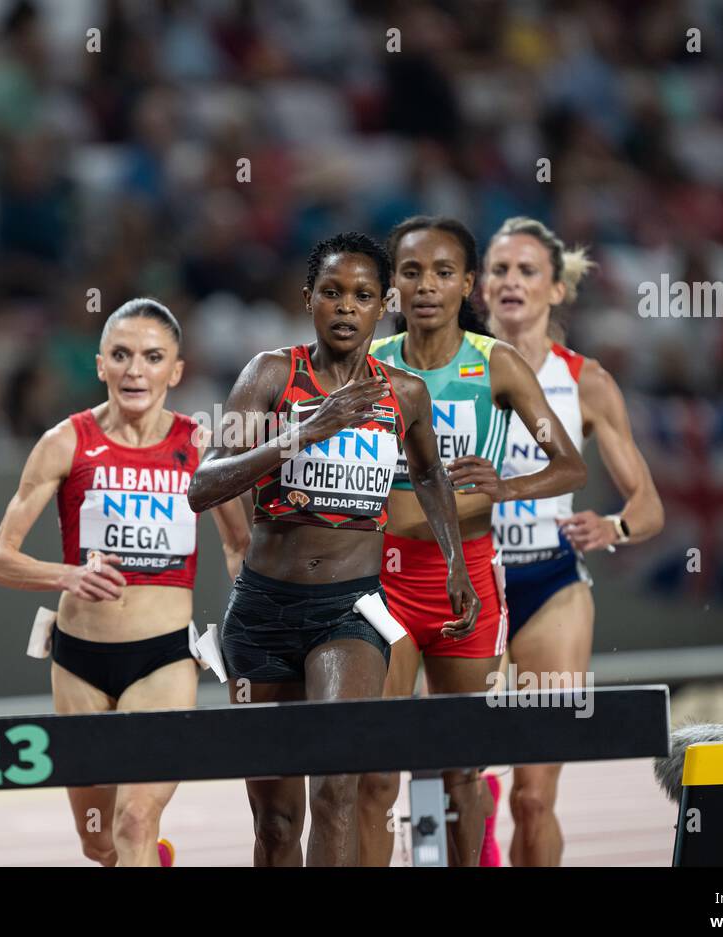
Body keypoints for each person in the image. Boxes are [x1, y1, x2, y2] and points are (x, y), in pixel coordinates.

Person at [188, 231, 476, 867]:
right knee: (275, 820)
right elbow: (202, 486)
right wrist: (304, 433)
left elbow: (428, 473)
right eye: (332, 292)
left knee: (338, 789)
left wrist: (455, 558)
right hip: (261, 612)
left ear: (384, 307)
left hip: (350, 611)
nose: (346, 306)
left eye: (363, 295)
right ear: (308, 299)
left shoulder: (404, 394)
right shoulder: (269, 375)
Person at [0, 297, 251, 867]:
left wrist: (249, 630)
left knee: (133, 822)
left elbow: (237, 545)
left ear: (175, 371)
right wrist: (69, 574)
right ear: (101, 365)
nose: (136, 370)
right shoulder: (64, 442)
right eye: (122, 356)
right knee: (99, 841)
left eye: (153, 357)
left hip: (164, 660)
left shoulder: (199, 446)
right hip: (78, 659)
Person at [357, 215, 586, 867]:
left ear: (469, 285)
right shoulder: (367, 367)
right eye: (411, 272)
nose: (427, 286)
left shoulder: (498, 365)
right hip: (382, 585)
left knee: (462, 771)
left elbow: (570, 466)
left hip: (467, 582)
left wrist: (506, 488)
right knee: (375, 773)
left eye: (444, 272)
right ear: (392, 288)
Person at [484, 217, 664, 866]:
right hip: (468, 589)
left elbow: (648, 506)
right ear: (480, 287)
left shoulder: (585, 382)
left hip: (551, 585)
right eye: (499, 269)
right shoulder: (445, 372)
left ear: (556, 291)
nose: (511, 281)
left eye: (527, 271)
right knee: (464, 786)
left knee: (533, 798)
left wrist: (613, 526)